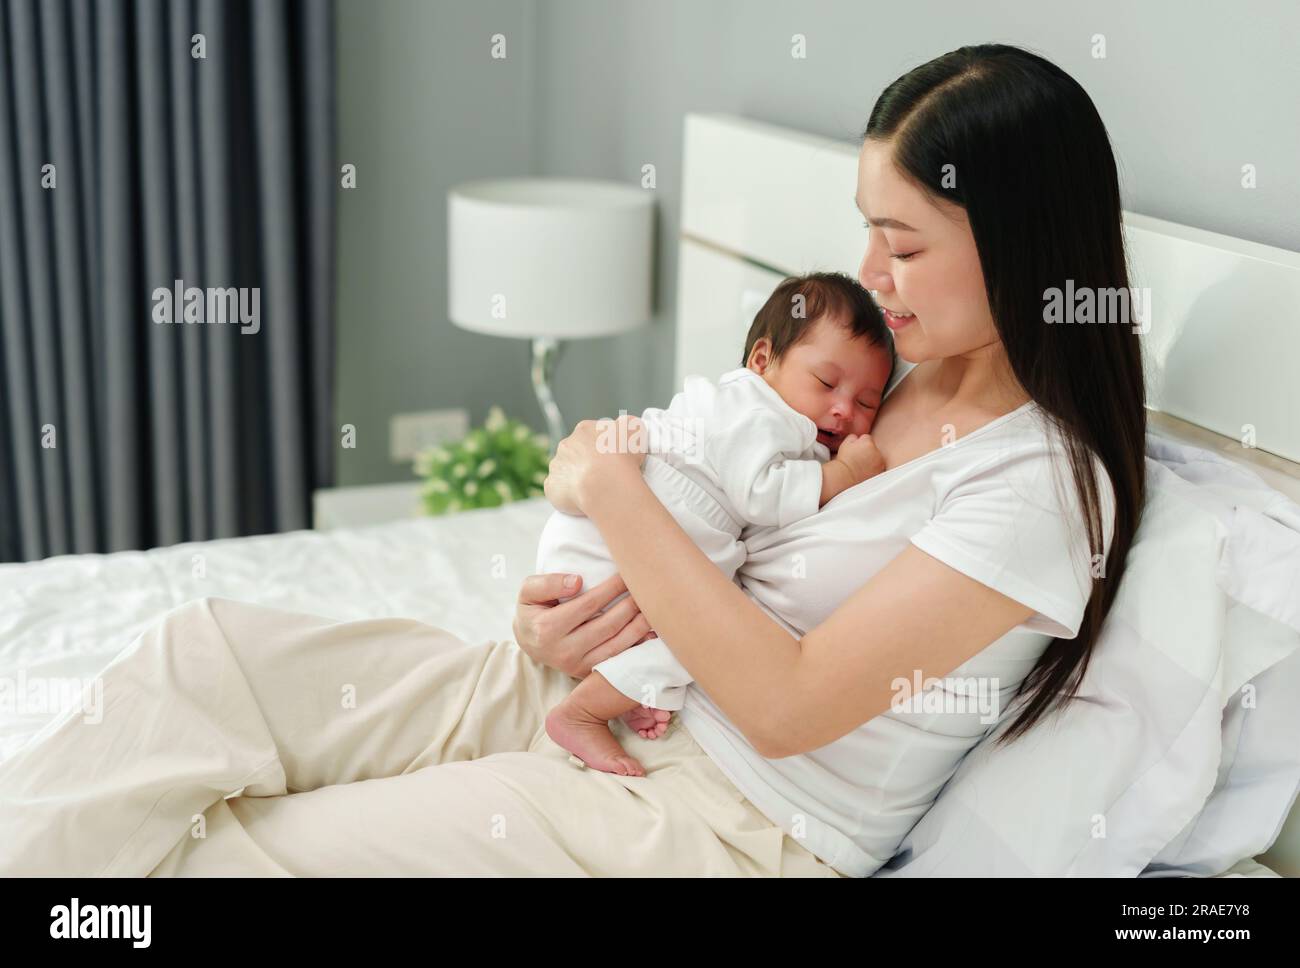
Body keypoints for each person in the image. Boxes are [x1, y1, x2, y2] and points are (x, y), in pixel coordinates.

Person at [0, 43, 1145, 878]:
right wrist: (563, 592)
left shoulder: (1041, 486)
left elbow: (791, 702)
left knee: (240, 853)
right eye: (865, 230)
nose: (869, 270)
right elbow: (700, 483)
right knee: (202, 662)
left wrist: (603, 485)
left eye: (901, 244)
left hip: (727, 815)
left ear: (1022, 245)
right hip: (616, 690)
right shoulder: (891, 371)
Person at [539, 272, 895, 776]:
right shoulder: (756, 409)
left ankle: (625, 691)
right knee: (696, 645)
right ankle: (583, 714)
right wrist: (843, 473)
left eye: (867, 403)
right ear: (761, 361)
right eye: (826, 383)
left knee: (679, 639)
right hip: (627, 524)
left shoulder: (761, 413)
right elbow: (760, 493)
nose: (843, 409)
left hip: (610, 532)